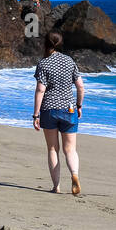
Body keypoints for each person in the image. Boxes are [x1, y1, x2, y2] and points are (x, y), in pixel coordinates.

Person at [33, 31, 85, 195]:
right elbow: (81, 86)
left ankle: (56, 186)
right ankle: (75, 175)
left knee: (52, 149)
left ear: (46, 44)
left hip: (49, 110)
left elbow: (40, 90)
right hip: (69, 109)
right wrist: (79, 105)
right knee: (70, 149)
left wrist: (35, 115)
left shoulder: (44, 63)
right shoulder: (69, 61)